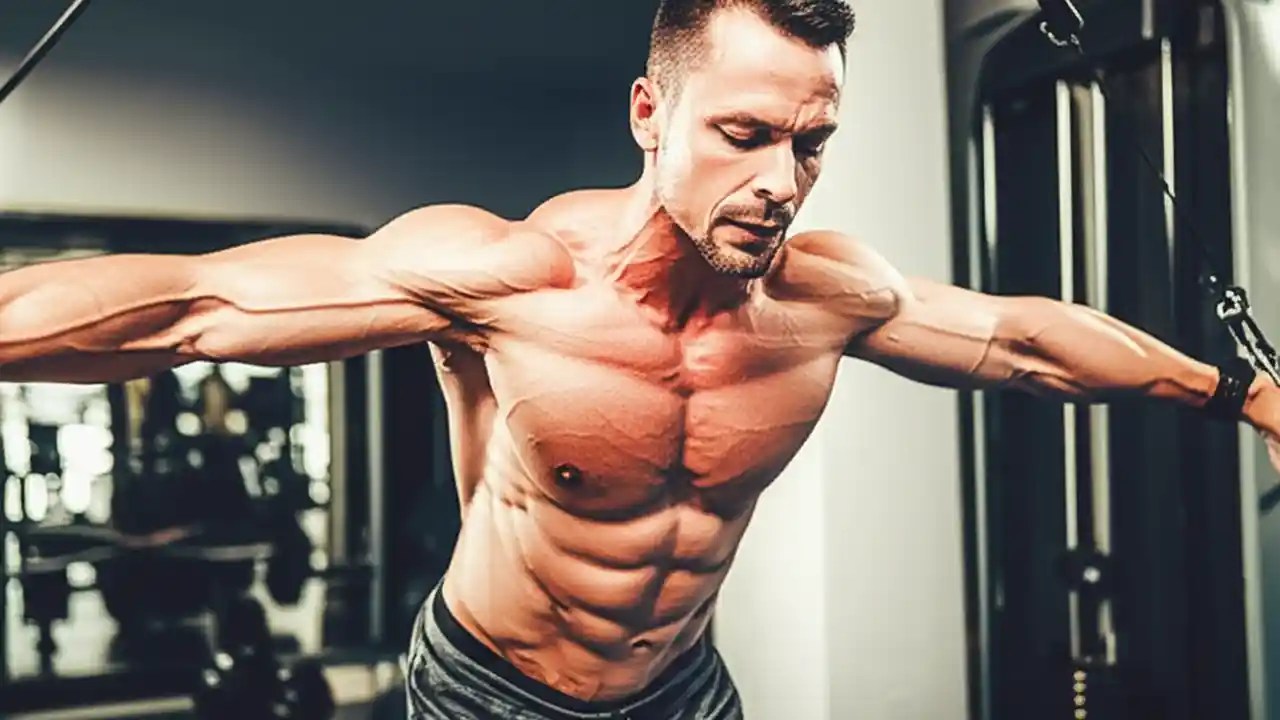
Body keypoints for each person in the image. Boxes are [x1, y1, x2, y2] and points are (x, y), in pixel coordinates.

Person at [0, 0, 1276, 717]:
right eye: (744, 132)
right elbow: (188, 308)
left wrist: (1241, 389)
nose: (781, 181)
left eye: (813, 142)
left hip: (684, 690)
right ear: (648, 114)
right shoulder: (506, 281)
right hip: (489, 690)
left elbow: (1019, 338)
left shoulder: (827, 297)